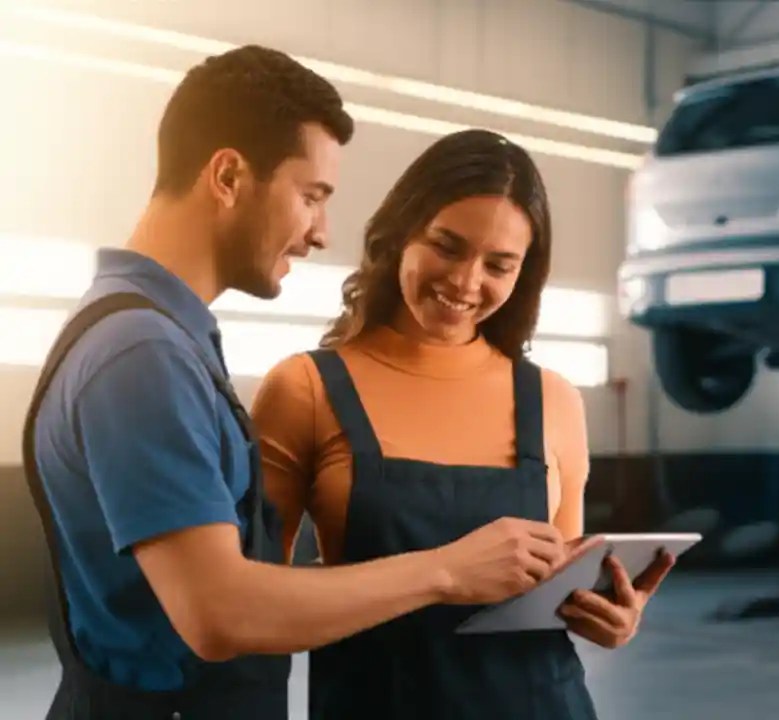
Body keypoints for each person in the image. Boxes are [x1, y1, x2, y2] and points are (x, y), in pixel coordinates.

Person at [24, 48, 571, 720]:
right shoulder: (141, 353)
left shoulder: (169, 339)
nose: (319, 232)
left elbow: (245, 585)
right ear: (227, 175)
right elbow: (220, 610)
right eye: (310, 196)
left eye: (500, 263)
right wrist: (446, 570)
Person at [251, 128, 677, 719]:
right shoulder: (306, 389)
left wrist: (611, 619)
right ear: (402, 231)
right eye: (447, 246)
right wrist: (441, 572)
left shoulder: (553, 399)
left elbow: (561, 590)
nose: (465, 282)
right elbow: (252, 605)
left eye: (499, 265)